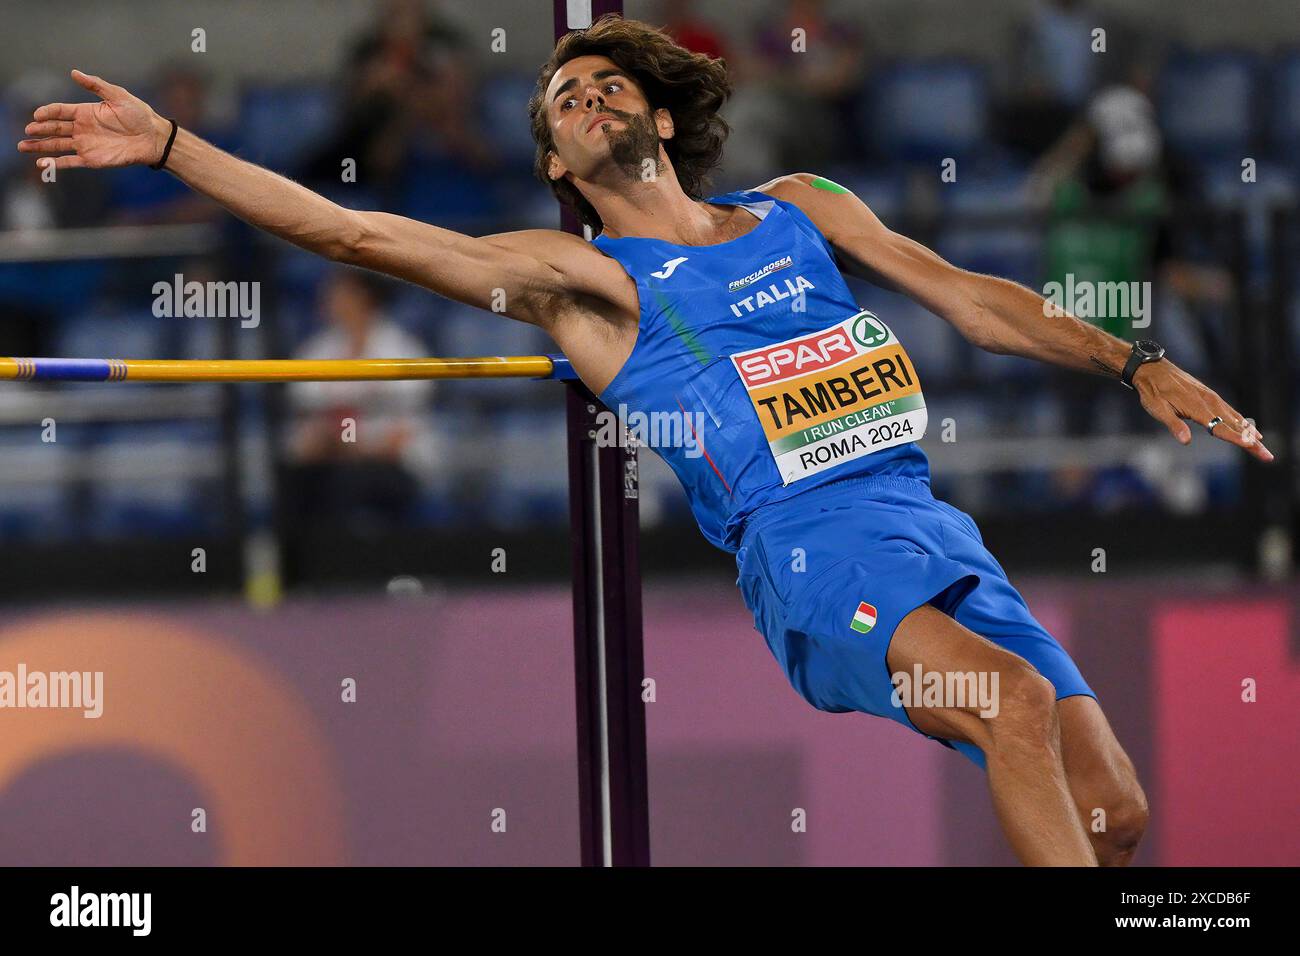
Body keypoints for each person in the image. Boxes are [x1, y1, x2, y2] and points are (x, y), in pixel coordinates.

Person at [19, 15, 1272, 866]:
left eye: (608, 82)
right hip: (810, 553)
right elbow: (360, 236)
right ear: (560, 161)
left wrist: (1136, 358)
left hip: (930, 522)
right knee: (1002, 703)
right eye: (563, 99)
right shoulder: (587, 281)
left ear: (660, 118)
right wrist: (172, 145)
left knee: (1113, 814)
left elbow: (972, 299)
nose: (588, 96)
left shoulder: (803, 208)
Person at [284, 269, 435, 532]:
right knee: (294, 481)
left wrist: (355, 449)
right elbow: (306, 435)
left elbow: (401, 437)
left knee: (348, 483)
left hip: (391, 467)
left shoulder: (404, 351)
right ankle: (303, 569)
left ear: (364, 297)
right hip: (327, 464)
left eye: (340, 292)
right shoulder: (316, 352)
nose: (330, 299)